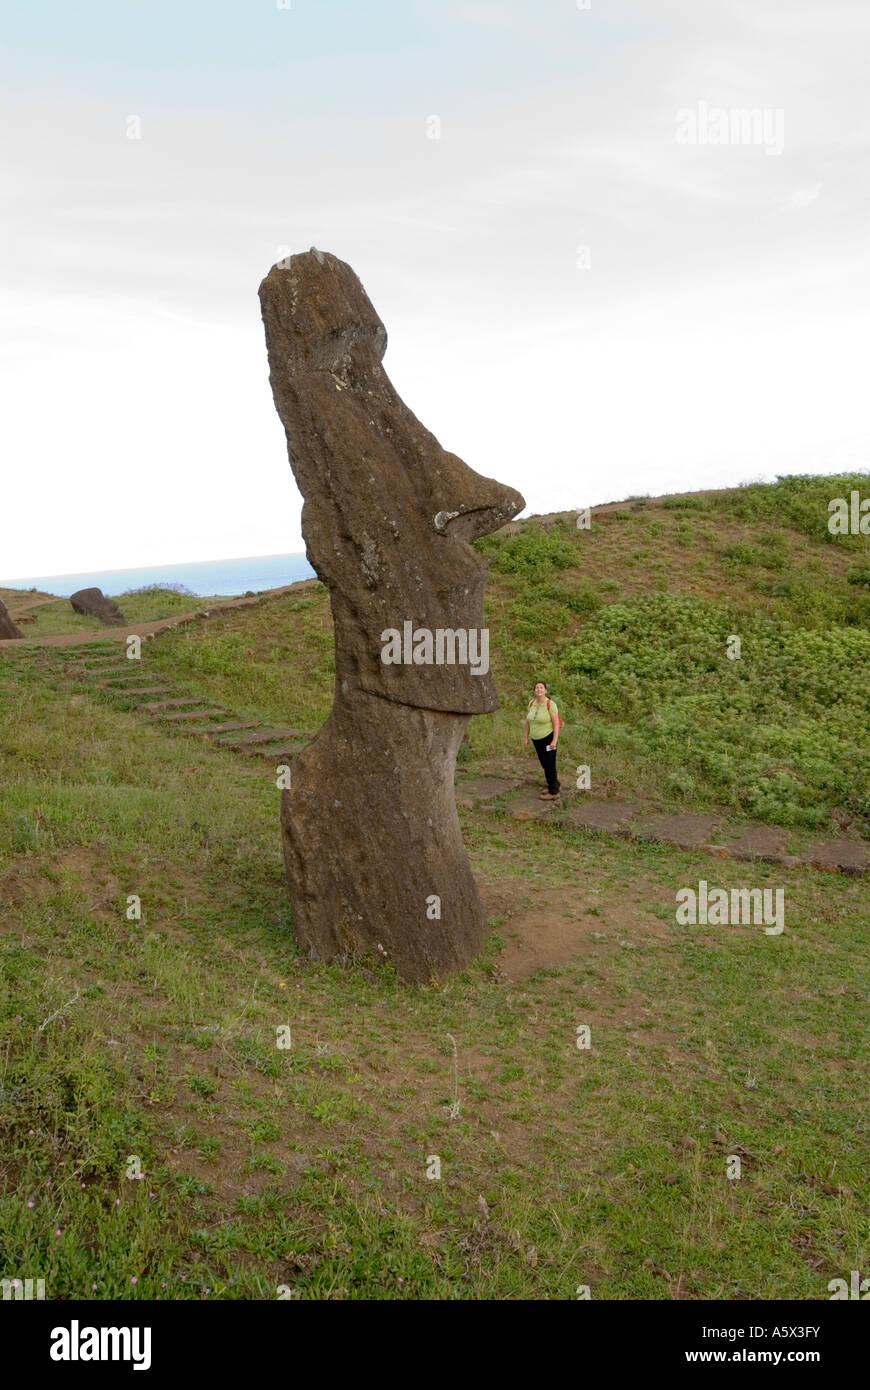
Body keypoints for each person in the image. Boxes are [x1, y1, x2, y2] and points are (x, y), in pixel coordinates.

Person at [523, 680, 561, 798]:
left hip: (548, 739)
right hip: (536, 740)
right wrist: (526, 737)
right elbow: (528, 722)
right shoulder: (531, 703)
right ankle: (554, 783)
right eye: (537, 688)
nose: (539, 690)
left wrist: (554, 741)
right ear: (534, 691)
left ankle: (554, 792)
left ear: (545, 691)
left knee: (550, 764)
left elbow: (556, 724)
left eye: (541, 688)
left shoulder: (550, 704)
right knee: (544, 764)